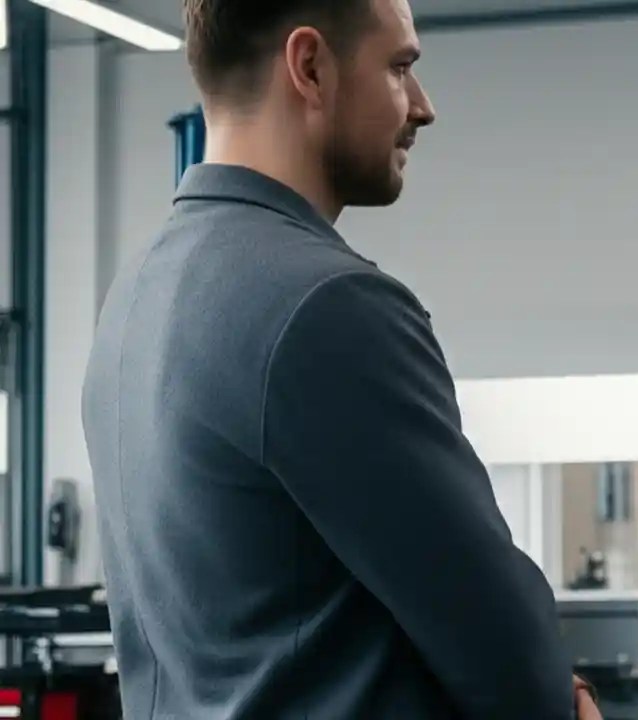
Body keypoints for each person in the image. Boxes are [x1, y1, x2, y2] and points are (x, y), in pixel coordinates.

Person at [81, 0, 601, 718]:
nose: (424, 107)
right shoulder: (328, 303)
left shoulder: (132, 297)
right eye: (399, 67)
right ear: (311, 67)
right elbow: (498, 637)